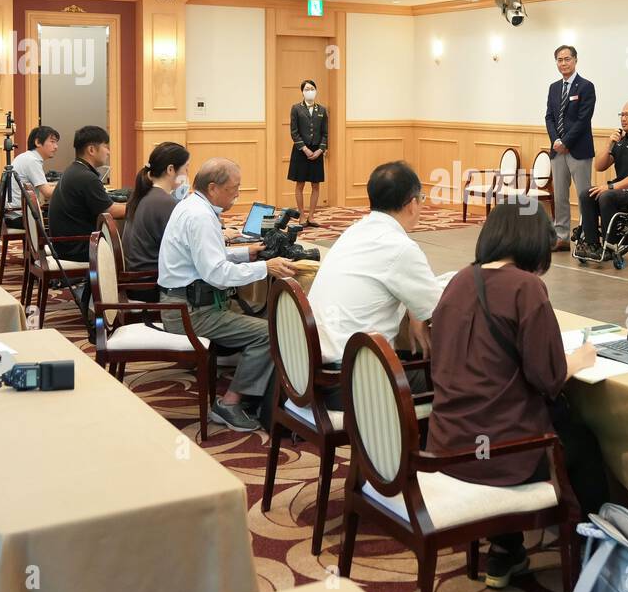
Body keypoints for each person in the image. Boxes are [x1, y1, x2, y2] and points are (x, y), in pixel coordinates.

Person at [427, 200, 606, 588]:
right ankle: (602, 556)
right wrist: (576, 361)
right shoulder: (527, 288)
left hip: (447, 443)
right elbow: (548, 378)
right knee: (585, 443)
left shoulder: (459, 280)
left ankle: (506, 550)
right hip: (501, 457)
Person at [157, 157, 297, 432]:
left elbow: (205, 259)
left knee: (263, 319)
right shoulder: (200, 216)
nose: (237, 194)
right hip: (190, 313)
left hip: (185, 303)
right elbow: (216, 273)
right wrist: (264, 267)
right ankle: (230, 403)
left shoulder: (192, 205)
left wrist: (246, 253)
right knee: (271, 332)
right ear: (213, 188)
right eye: (235, 188)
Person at [307, 161, 441, 405]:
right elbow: (439, 310)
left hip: (310, 372)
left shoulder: (355, 230)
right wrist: (419, 310)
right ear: (412, 204)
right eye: (421, 198)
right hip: (353, 382)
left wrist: (414, 309)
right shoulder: (400, 248)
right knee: (446, 380)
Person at [575, 100, 628, 254]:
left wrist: (610, 187)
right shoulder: (620, 141)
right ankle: (592, 244)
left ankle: (610, 244)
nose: (623, 118)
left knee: (606, 196)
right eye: (622, 114)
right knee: (586, 193)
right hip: (620, 189)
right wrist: (609, 143)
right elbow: (599, 166)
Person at [46, 125, 126, 262]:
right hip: (79, 248)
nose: (108, 152)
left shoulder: (75, 169)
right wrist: (140, 206)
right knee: (128, 248)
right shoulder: (86, 177)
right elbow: (111, 211)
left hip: (66, 244)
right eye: (106, 147)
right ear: (91, 150)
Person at [123, 142, 191, 299]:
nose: (187, 173)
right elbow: (183, 249)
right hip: (151, 284)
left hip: (137, 279)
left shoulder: (145, 194)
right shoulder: (163, 202)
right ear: (170, 170)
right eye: (186, 168)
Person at [543, 45, 596, 250]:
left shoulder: (586, 86)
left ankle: (586, 237)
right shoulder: (554, 87)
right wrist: (557, 140)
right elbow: (549, 117)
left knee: (584, 196)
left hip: (579, 150)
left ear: (575, 60)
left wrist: (566, 142)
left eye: (567, 59)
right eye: (559, 59)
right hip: (557, 151)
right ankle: (562, 237)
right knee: (560, 195)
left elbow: (584, 119)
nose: (563, 63)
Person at [288, 80, 328, 228]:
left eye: (312, 88)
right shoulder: (296, 108)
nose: (309, 91)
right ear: (302, 92)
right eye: (306, 89)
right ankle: (302, 216)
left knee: (316, 185)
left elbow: (325, 133)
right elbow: (294, 132)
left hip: (317, 151)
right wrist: (304, 149)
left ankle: (311, 216)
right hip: (301, 151)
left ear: (316, 91)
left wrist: (320, 150)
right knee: (300, 184)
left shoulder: (322, 110)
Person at [4, 125, 60, 226]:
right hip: (20, 216)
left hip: (12, 213)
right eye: (52, 142)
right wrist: (69, 187)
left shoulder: (25, 156)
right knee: (68, 218)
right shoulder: (32, 161)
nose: (56, 147)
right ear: (38, 142)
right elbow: (47, 193)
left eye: (56, 142)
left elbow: (45, 188)